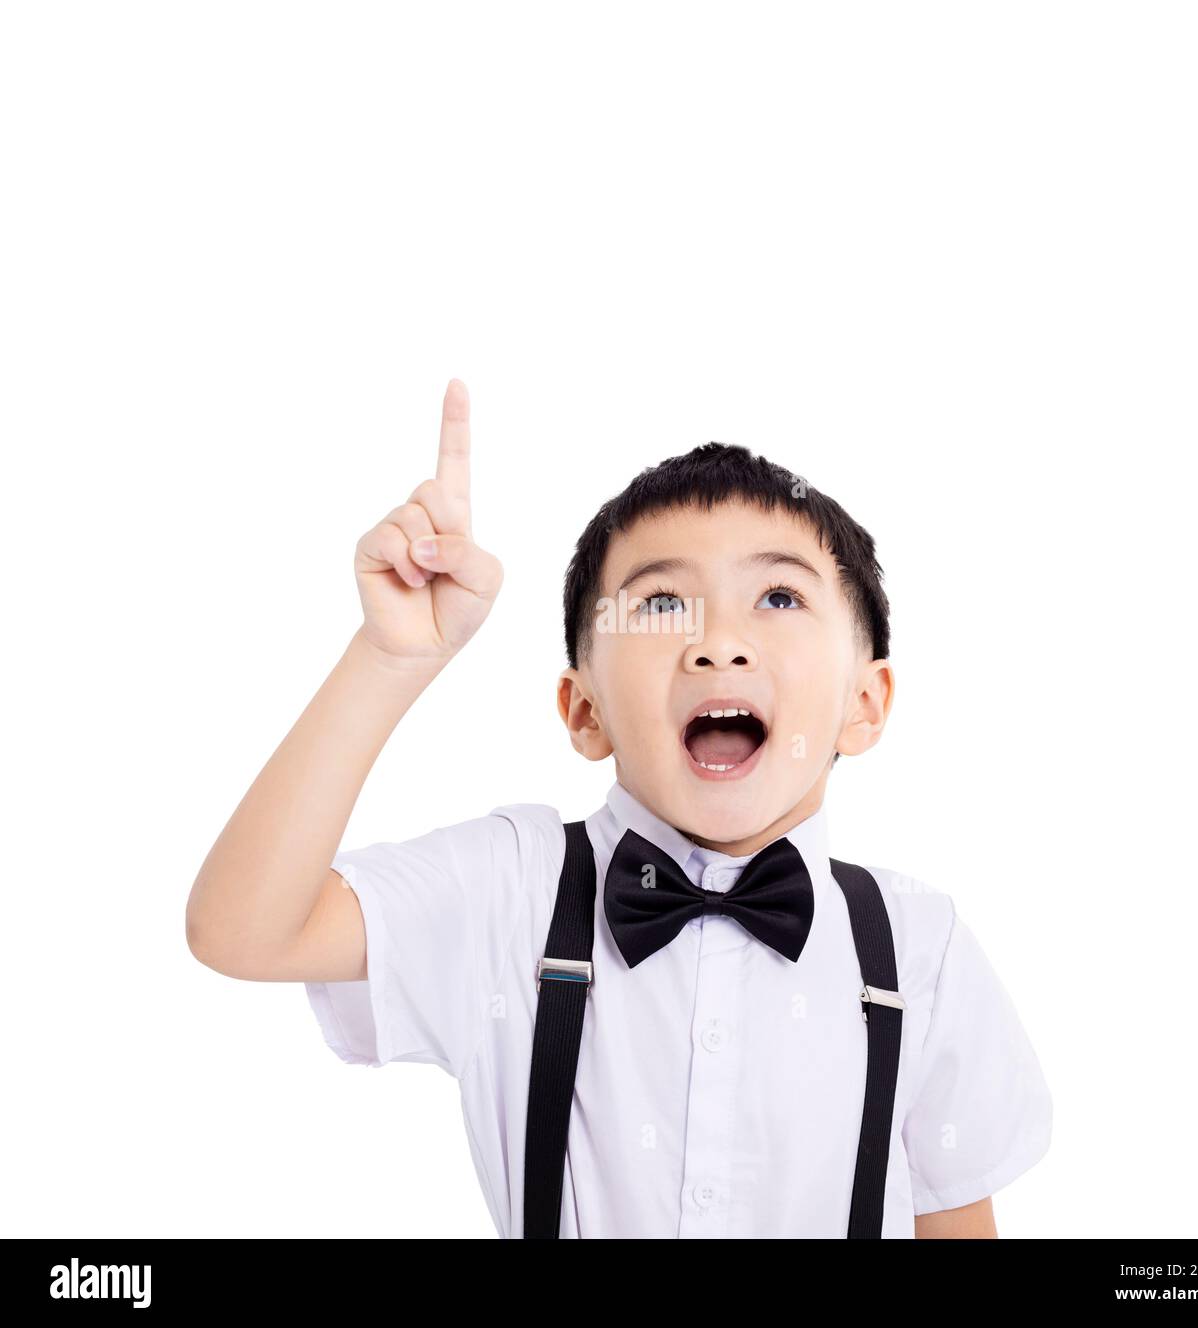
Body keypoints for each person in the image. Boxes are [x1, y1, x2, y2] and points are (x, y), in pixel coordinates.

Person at [186, 378, 1052, 1238]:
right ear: (584, 709)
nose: (719, 643)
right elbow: (245, 930)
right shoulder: (513, 889)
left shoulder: (918, 945)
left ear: (865, 704)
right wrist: (387, 659)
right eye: (662, 604)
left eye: (780, 597)